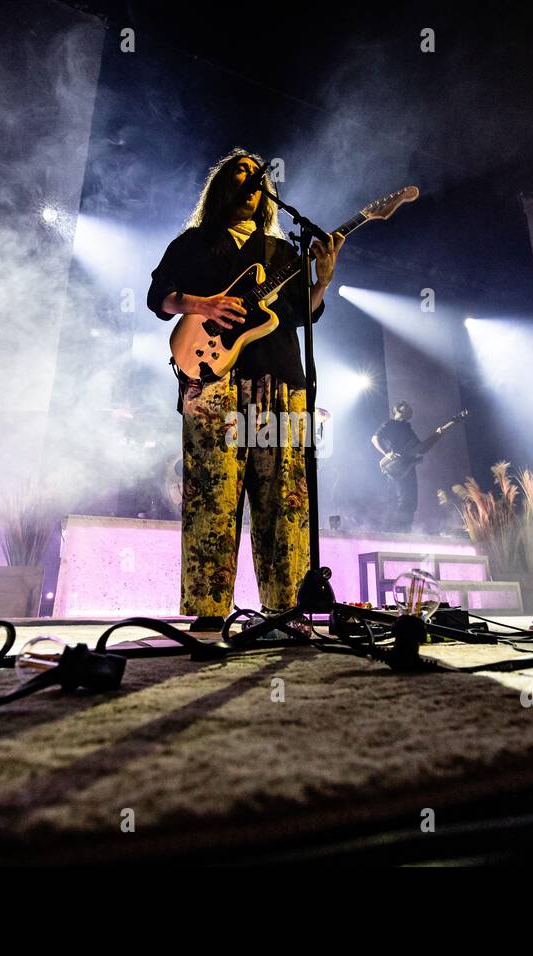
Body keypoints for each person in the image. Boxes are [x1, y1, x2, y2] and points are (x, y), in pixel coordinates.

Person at [147, 149, 343, 632]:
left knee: (284, 499)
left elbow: (301, 314)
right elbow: (159, 296)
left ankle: (286, 609)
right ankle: (209, 610)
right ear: (220, 190)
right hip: (212, 381)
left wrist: (322, 281)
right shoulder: (194, 242)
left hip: (279, 380)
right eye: (238, 177)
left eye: (257, 179)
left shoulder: (281, 252)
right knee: (213, 496)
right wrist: (204, 304)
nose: (250, 185)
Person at [372, 401, 420, 532]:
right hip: (396, 467)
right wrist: (386, 454)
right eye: (406, 405)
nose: (410, 407)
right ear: (398, 409)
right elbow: (375, 438)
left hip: (408, 467)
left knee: (410, 498)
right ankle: (398, 532)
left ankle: (407, 530)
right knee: (400, 497)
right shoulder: (390, 424)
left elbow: (418, 447)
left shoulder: (408, 428)